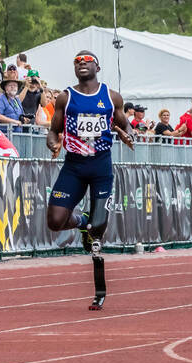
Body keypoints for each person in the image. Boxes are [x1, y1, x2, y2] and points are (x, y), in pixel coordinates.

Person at [45, 50, 134, 311]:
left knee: (98, 228)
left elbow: (125, 124)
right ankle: (81, 221)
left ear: (97, 66)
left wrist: (127, 134)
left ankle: (99, 289)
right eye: (77, 62)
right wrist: (53, 144)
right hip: (73, 166)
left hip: (100, 166)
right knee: (55, 222)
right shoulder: (65, 97)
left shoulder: (110, 96)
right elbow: (53, 130)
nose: (82, 64)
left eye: (87, 61)